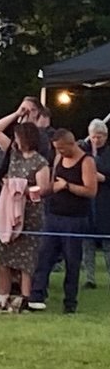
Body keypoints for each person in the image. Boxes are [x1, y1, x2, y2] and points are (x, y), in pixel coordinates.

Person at [27, 128, 100, 314]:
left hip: (74, 219)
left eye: (61, 149)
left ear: (71, 143)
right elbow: (53, 184)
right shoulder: (59, 158)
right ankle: (37, 296)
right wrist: (42, 192)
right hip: (53, 216)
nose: (59, 152)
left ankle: (70, 302)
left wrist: (67, 186)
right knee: (44, 257)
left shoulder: (87, 161)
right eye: (56, 149)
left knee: (72, 261)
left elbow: (91, 191)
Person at [0, 118, 49, 312]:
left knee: (25, 257)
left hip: (29, 213)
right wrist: (17, 113)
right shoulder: (14, 154)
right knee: (4, 253)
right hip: (7, 210)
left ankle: (24, 297)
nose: (15, 140)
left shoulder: (40, 162)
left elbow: (44, 188)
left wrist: (23, 188)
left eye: (18, 136)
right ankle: (3, 294)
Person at [81, 119, 110, 289]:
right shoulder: (83, 154)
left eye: (99, 137)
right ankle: (89, 278)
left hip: (105, 203)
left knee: (108, 243)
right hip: (88, 204)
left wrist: (104, 178)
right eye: (93, 137)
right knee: (87, 243)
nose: (96, 140)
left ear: (105, 136)